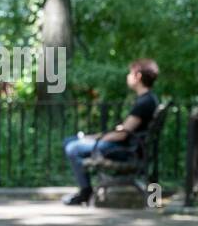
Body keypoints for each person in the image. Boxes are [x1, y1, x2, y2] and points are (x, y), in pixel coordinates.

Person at [62, 58, 161, 206]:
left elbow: (122, 134)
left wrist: (94, 140)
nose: (128, 76)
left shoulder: (144, 102)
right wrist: (93, 137)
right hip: (128, 147)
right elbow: (124, 130)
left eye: (130, 73)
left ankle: (85, 191)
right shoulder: (148, 99)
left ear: (138, 76)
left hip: (126, 151)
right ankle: (85, 190)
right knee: (69, 140)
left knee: (73, 148)